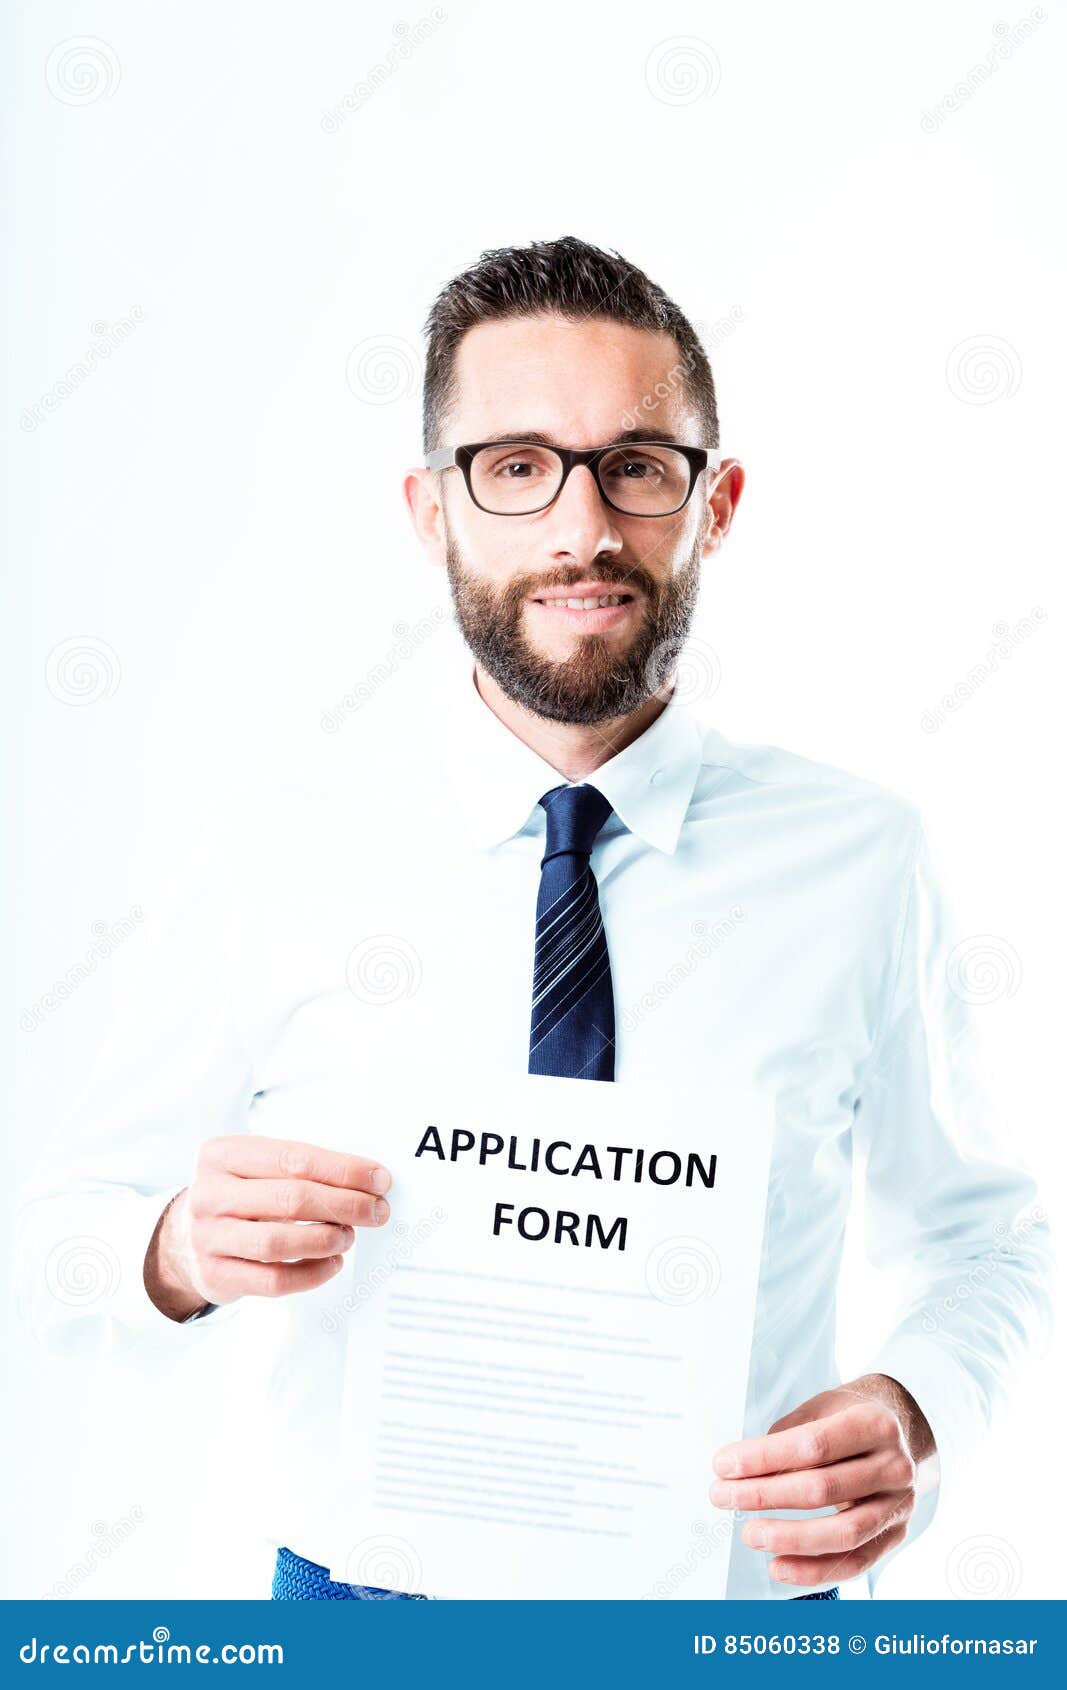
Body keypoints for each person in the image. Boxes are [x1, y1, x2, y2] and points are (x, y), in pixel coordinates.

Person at [19, 237, 1051, 1602]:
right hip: (369, 1622)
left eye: (636, 464)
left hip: (746, 1612)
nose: (581, 529)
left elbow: (988, 1240)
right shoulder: (280, 851)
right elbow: (50, 1244)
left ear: (716, 501)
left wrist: (922, 1412)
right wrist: (172, 1248)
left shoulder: (864, 860)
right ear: (432, 507)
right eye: (516, 468)